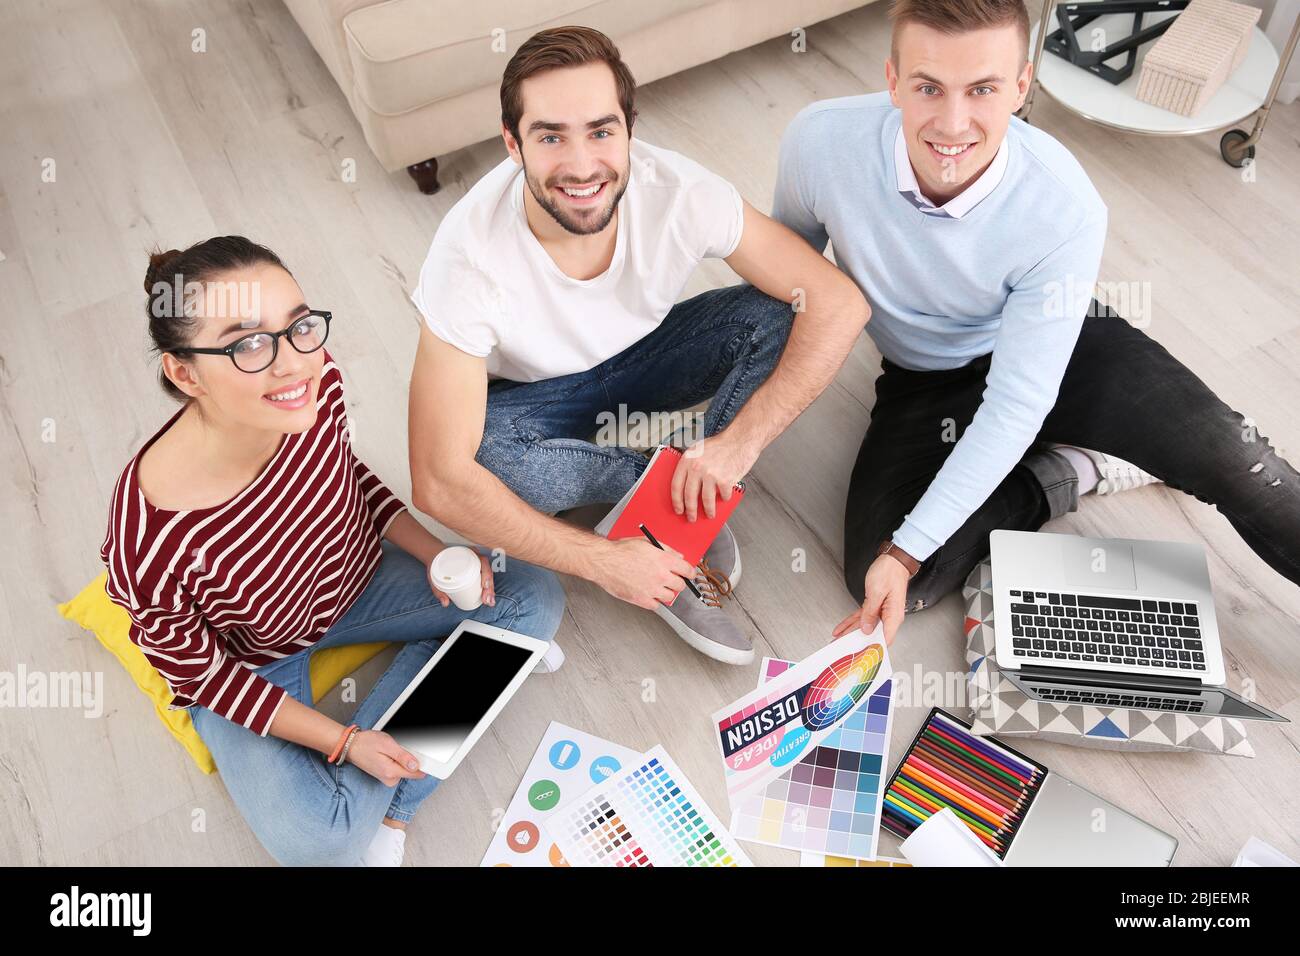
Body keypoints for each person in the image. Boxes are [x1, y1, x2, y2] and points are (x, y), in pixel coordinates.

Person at [767, 0, 1300, 645]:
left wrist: (905, 550)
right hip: (926, 377)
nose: (953, 123)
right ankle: (1072, 471)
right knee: (881, 569)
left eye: (983, 89)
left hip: (1068, 348)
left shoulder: (1066, 205)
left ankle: (1100, 443)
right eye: (929, 87)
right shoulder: (820, 142)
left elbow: (1017, 402)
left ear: (1021, 87)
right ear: (892, 80)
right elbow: (782, 285)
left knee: (1235, 460)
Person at [408, 26, 871, 665]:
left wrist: (737, 445)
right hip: (535, 397)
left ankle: (691, 494)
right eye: (550, 136)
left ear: (630, 131)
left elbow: (839, 301)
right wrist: (605, 563)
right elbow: (436, 482)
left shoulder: (680, 192)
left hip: (647, 355)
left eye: (601, 131)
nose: (580, 165)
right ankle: (659, 499)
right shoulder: (468, 260)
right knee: (481, 460)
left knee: (783, 310)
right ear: (512, 144)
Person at [100, 236, 566, 866]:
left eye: (298, 327)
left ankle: (395, 798)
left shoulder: (314, 384)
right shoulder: (148, 533)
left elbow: (345, 475)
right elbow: (198, 675)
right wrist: (345, 741)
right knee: (320, 842)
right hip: (250, 662)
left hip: (356, 582)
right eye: (247, 344)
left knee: (533, 593)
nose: (292, 363)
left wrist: (430, 551)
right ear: (185, 373)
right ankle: (452, 684)